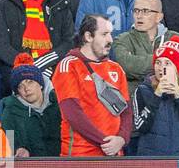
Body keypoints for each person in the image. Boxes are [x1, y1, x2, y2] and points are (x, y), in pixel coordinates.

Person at [50, 13, 133, 156]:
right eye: (104, 34)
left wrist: (121, 139)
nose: (110, 39)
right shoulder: (69, 65)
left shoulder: (116, 69)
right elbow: (73, 114)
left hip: (114, 153)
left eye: (110, 34)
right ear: (88, 37)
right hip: (81, 155)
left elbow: (126, 111)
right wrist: (105, 142)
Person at [0, 57, 61, 157]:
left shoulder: (59, 104)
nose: (26, 89)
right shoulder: (10, 110)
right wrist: (17, 149)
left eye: (30, 82)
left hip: (63, 161)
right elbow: (8, 139)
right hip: (30, 164)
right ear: (17, 92)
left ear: (40, 84)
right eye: (20, 86)